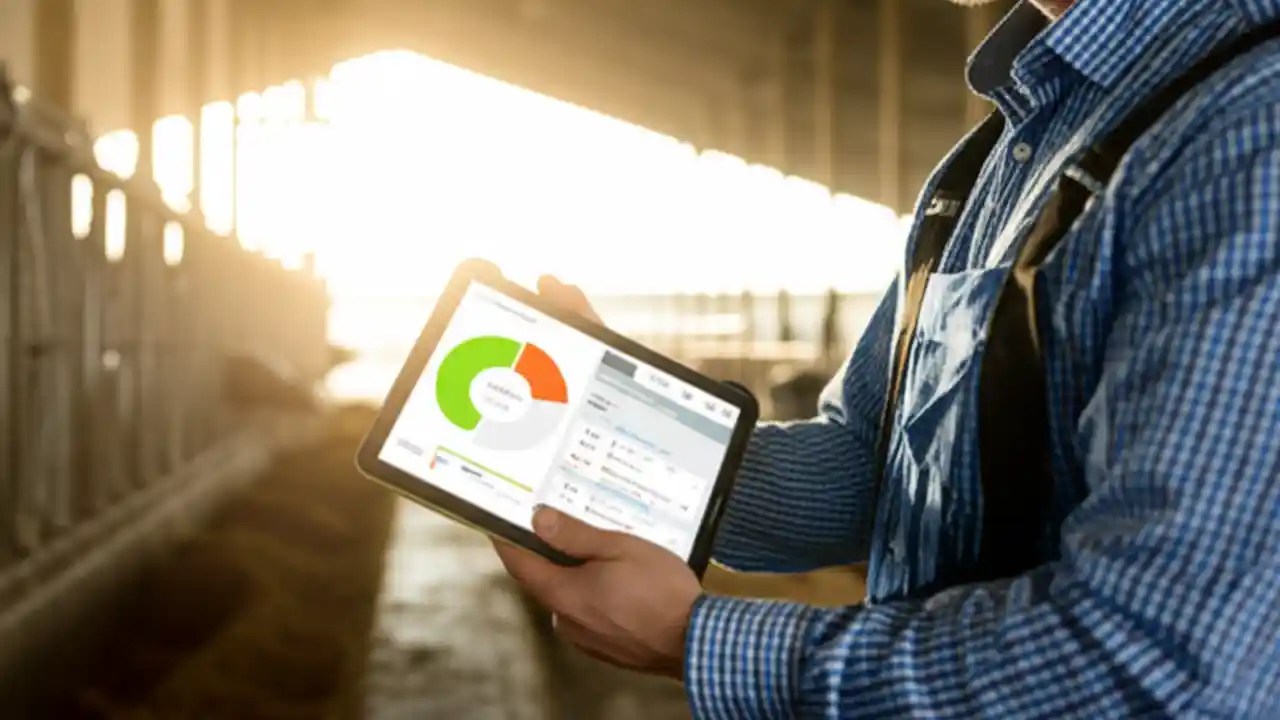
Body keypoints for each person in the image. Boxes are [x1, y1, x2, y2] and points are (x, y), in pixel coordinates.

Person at [494, 0, 1280, 716]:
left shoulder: (1250, 134)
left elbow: (1149, 668)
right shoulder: (1021, 133)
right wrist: (610, 430)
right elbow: (879, 471)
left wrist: (692, 641)